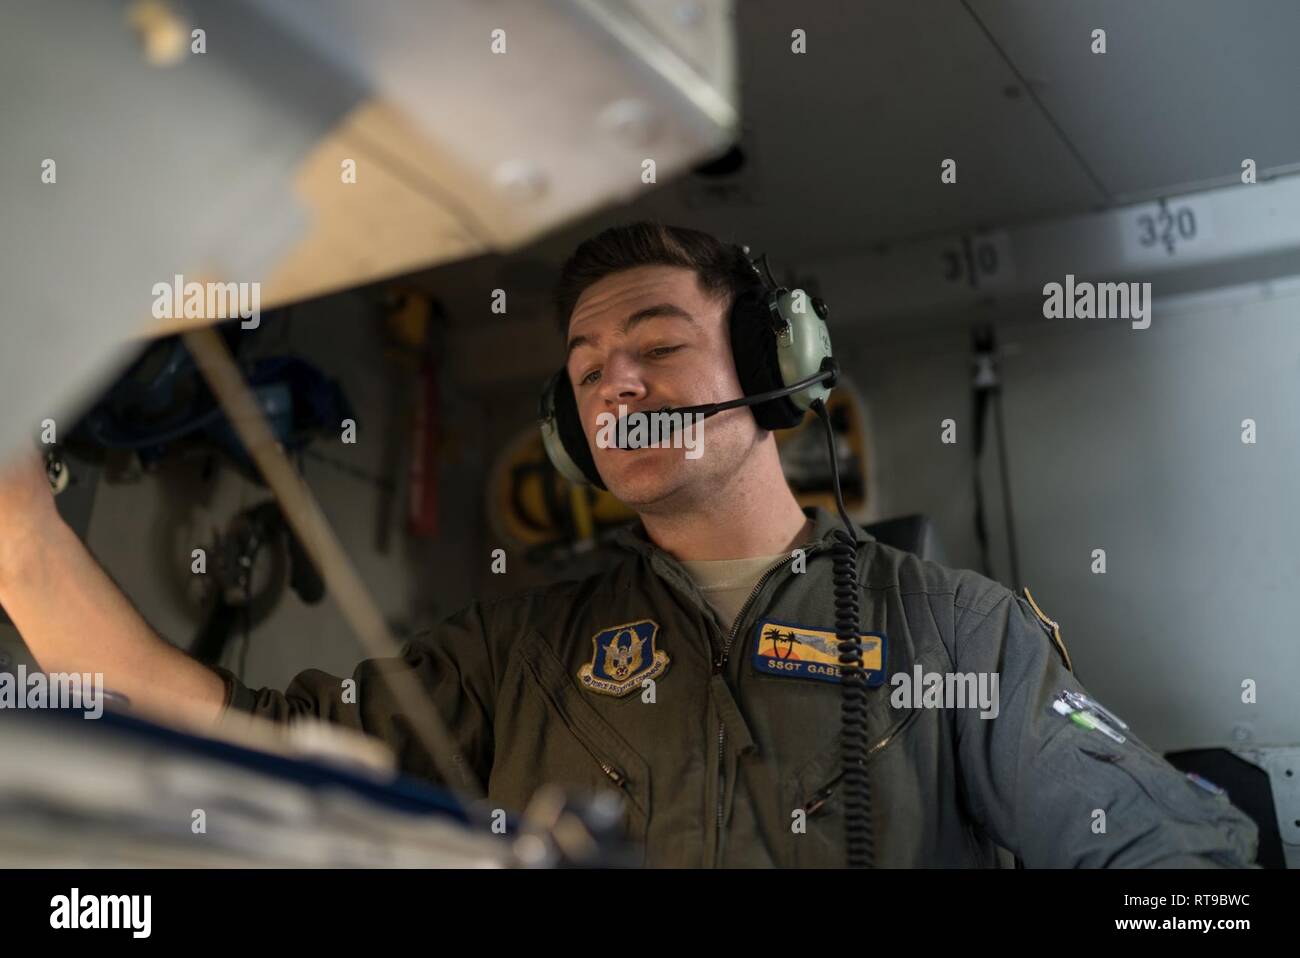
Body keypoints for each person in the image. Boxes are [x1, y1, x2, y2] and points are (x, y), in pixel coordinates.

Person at [0, 222, 1258, 867]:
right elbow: (242, 741)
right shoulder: (516, 653)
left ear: (776, 365)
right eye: (586, 372)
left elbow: (1175, 869)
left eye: (655, 345)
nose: (616, 387)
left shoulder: (953, 628)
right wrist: (21, 542)